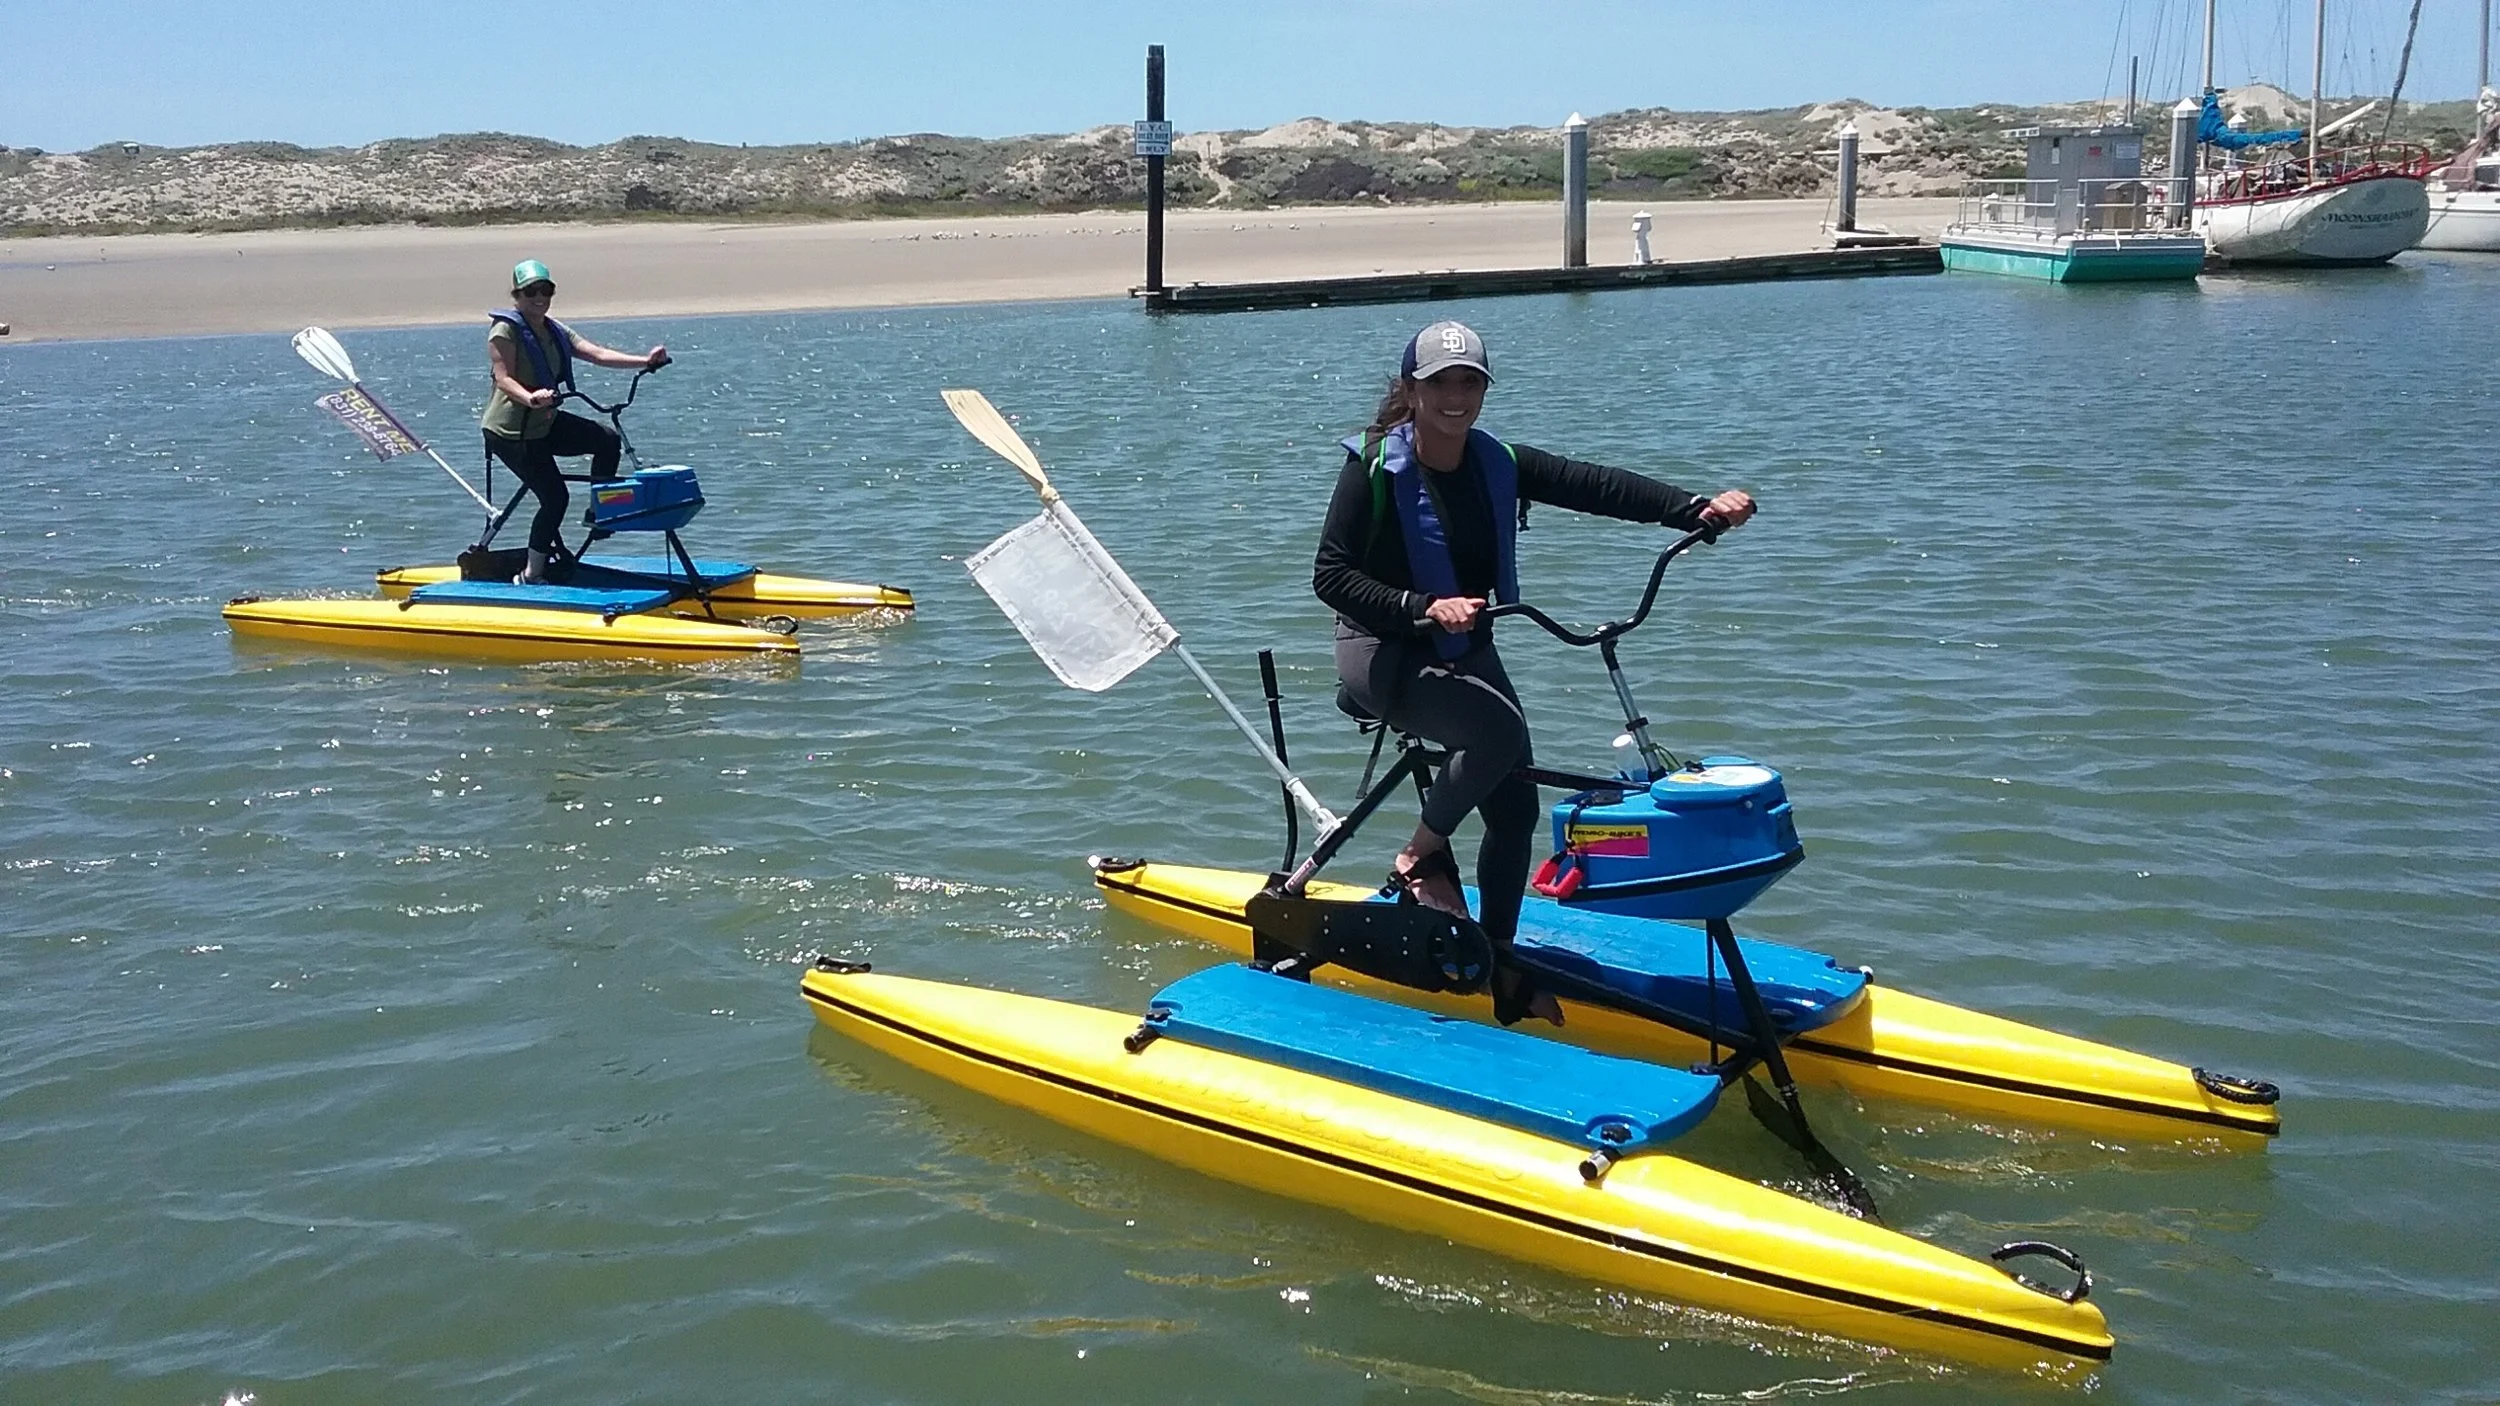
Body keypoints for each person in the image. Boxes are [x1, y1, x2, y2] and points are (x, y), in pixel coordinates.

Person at [1311, 320, 1755, 1025]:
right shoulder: (1371, 469)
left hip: (1463, 645)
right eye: (1440, 384)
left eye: (1470, 383)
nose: (1456, 398)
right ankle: (1420, 856)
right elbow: (1330, 576)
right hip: (1382, 646)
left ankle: (1499, 960)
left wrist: (1693, 508)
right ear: (1412, 390)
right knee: (1496, 731)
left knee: (1514, 802)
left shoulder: (1498, 461)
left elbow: (1594, 485)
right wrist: (1420, 605)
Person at [479, 259, 672, 584]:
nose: (540, 298)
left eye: (546, 290)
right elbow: (503, 378)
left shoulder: (553, 329)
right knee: (555, 497)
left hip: (545, 422)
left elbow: (595, 353)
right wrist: (530, 398)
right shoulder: (504, 331)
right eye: (531, 292)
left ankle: (601, 515)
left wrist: (646, 362)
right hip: (513, 432)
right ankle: (531, 574)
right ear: (517, 295)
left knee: (606, 439)